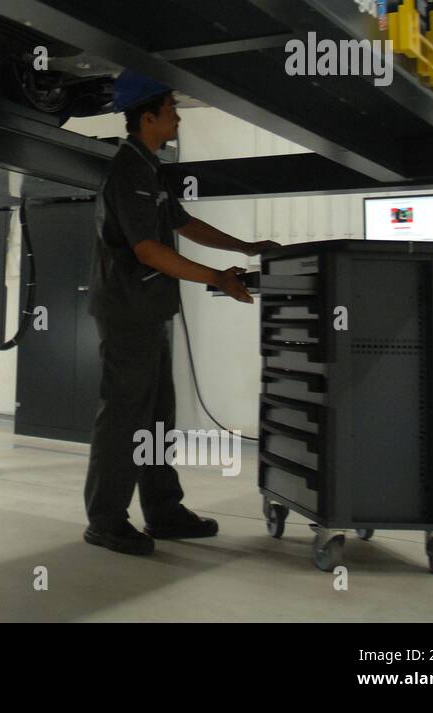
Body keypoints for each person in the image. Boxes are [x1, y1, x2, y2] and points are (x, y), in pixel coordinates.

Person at [84, 70, 279, 556]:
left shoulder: (150, 169)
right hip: (128, 314)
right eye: (170, 108)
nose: (177, 116)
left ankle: (163, 510)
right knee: (125, 417)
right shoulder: (128, 172)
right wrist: (216, 278)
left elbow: (184, 224)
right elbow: (149, 250)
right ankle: (106, 520)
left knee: (155, 419)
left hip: (149, 313)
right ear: (146, 115)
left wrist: (246, 246)